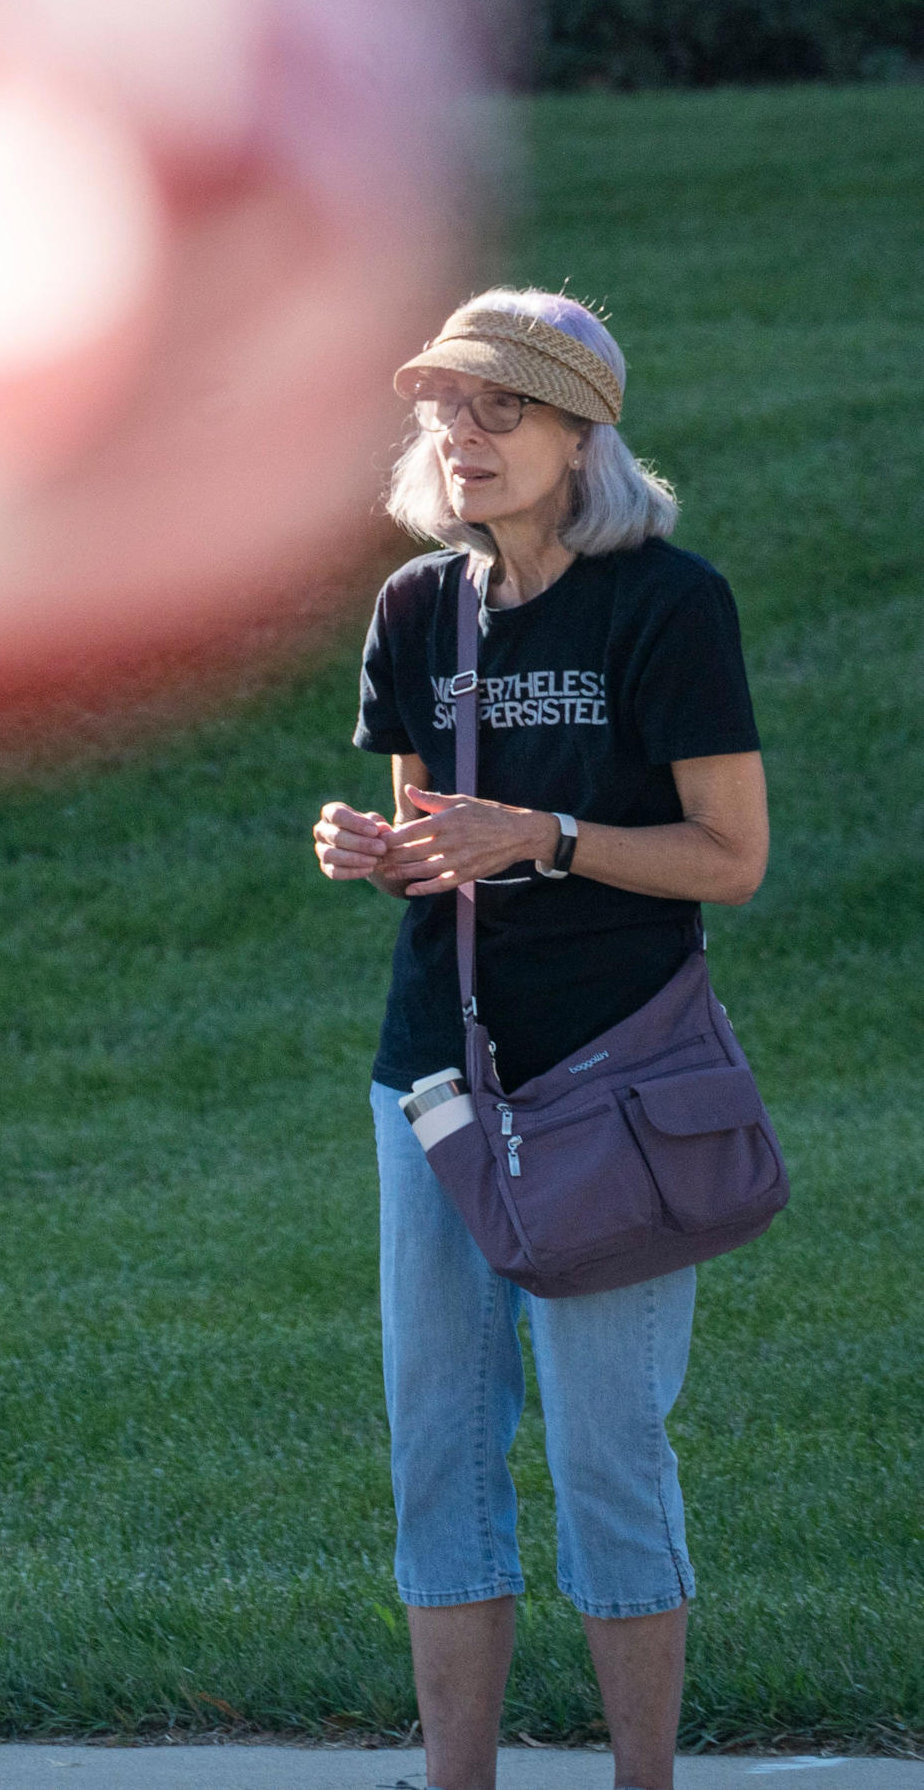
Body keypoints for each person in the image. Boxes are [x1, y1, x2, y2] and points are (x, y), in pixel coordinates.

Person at [311, 291, 764, 1790]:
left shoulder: (665, 602)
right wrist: (378, 854)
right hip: (434, 1073)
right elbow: (433, 837)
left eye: (500, 409)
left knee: (601, 1453)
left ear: (582, 433)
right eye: (443, 408)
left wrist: (552, 836)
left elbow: (727, 858)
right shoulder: (413, 609)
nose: (463, 436)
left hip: (614, 1074)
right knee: (438, 1443)